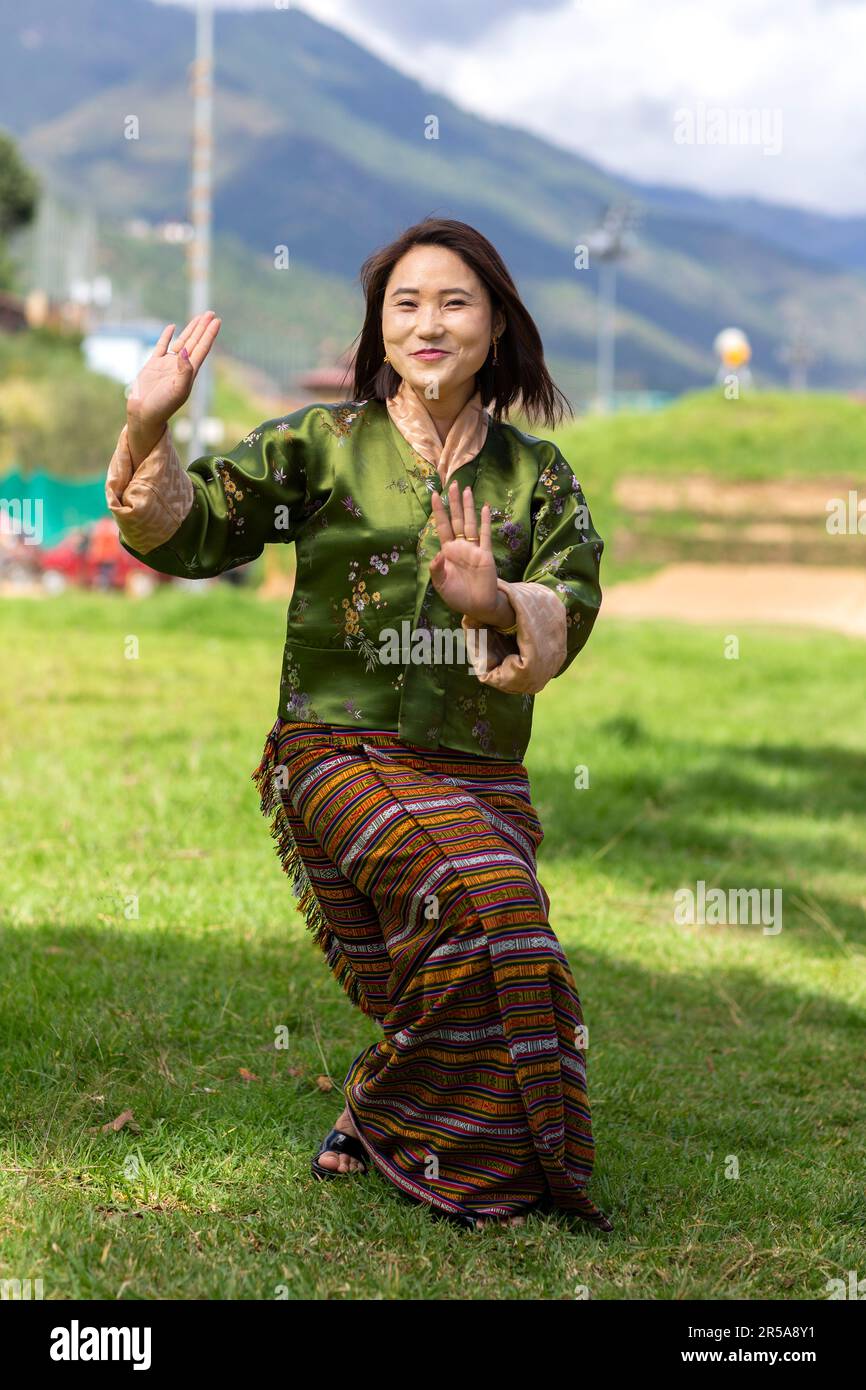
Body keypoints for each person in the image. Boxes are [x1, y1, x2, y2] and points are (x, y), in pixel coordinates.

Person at [105, 217, 610, 1233]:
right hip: (337, 749)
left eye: (453, 301)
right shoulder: (318, 447)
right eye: (404, 304)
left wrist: (498, 600)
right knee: (489, 896)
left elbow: (572, 595)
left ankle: (382, 1113)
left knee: (495, 941)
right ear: (377, 332)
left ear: (497, 326)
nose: (427, 322)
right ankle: (447, 1149)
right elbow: (191, 531)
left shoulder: (536, 474)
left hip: (476, 771)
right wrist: (146, 430)